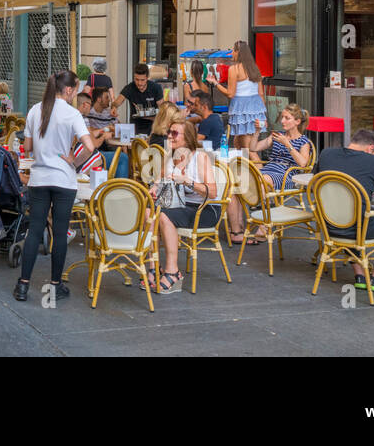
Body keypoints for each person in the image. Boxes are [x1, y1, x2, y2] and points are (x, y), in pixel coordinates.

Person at [14, 70, 95, 303]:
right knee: (60, 233)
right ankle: (55, 285)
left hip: (39, 178)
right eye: (76, 90)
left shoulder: (35, 110)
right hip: (63, 180)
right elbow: (88, 146)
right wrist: (74, 162)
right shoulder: (72, 114)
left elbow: (27, 145)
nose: (76, 94)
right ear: (68, 90)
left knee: (35, 230)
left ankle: (23, 285)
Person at [314, 129, 374, 292]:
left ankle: (360, 275)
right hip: (358, 230)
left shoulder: (326, 154)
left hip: (330, 227)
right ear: (371, 148)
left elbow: (315, 182)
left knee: (351, 218)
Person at [149, 118, 220, 294]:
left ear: (187, 138)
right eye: (169, 132)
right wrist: (155, 187)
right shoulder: (171, 156)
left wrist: (187, 181)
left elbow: (212, 192)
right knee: (149, 211)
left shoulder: (200, 157)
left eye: (174, 133)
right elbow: (159, 180)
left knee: (164, 215)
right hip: (179, 205)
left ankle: (173, 272)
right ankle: (153, 266)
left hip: (204, 209)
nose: (170, 136)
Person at [208, 40, 266, 153]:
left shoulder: (234, 69)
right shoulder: (254, 68)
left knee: (248, 150)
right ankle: (241, 169)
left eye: (233, 51)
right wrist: (264, 117)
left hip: (242, 112)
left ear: (238, 52)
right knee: (237, 143)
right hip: (256, 110)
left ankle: (261, 171)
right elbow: (261, 93)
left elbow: (230, 94)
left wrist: (215, 83)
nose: (232, 53)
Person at [255, 105, 312, 189]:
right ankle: (266, 201)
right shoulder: (278, 135)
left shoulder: (303, 141)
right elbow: (254, 148)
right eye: (282, 117)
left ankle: (265, 201)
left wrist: (287, 144)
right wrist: (257, 131)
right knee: (240, 182)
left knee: (261, 181)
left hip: (285, 175)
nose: (282, 121)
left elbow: (303, 163)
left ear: (297, 121)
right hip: (267, 170)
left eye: (287, 118)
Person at [113, 62, 163, 136]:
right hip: (135, 129)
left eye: (142, 80)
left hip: (153, 128)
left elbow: (162, 108)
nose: (139, 83)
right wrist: (114, 107)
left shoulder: (156, 88)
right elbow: (118, 101)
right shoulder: (130, 88)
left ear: (147, 78)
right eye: (137, 79)